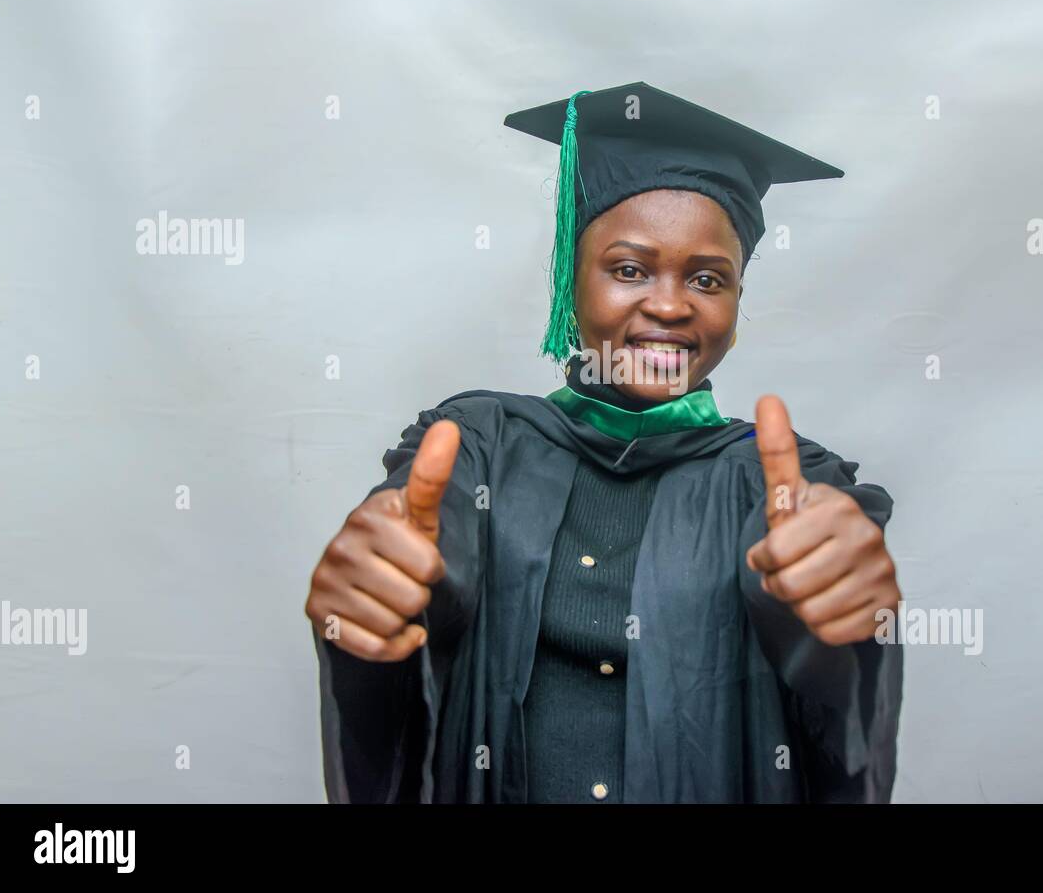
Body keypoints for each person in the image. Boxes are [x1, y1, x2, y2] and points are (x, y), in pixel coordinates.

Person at [305, 82, 903, 803]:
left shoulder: (781, 484)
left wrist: (843, 627)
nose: (670, 304)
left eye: (708, 279)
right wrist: (381, 591)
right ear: (571, 283)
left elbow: (831, 680)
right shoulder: (478, 448)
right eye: (629, 269)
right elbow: (430, 559)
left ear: (737, 305)